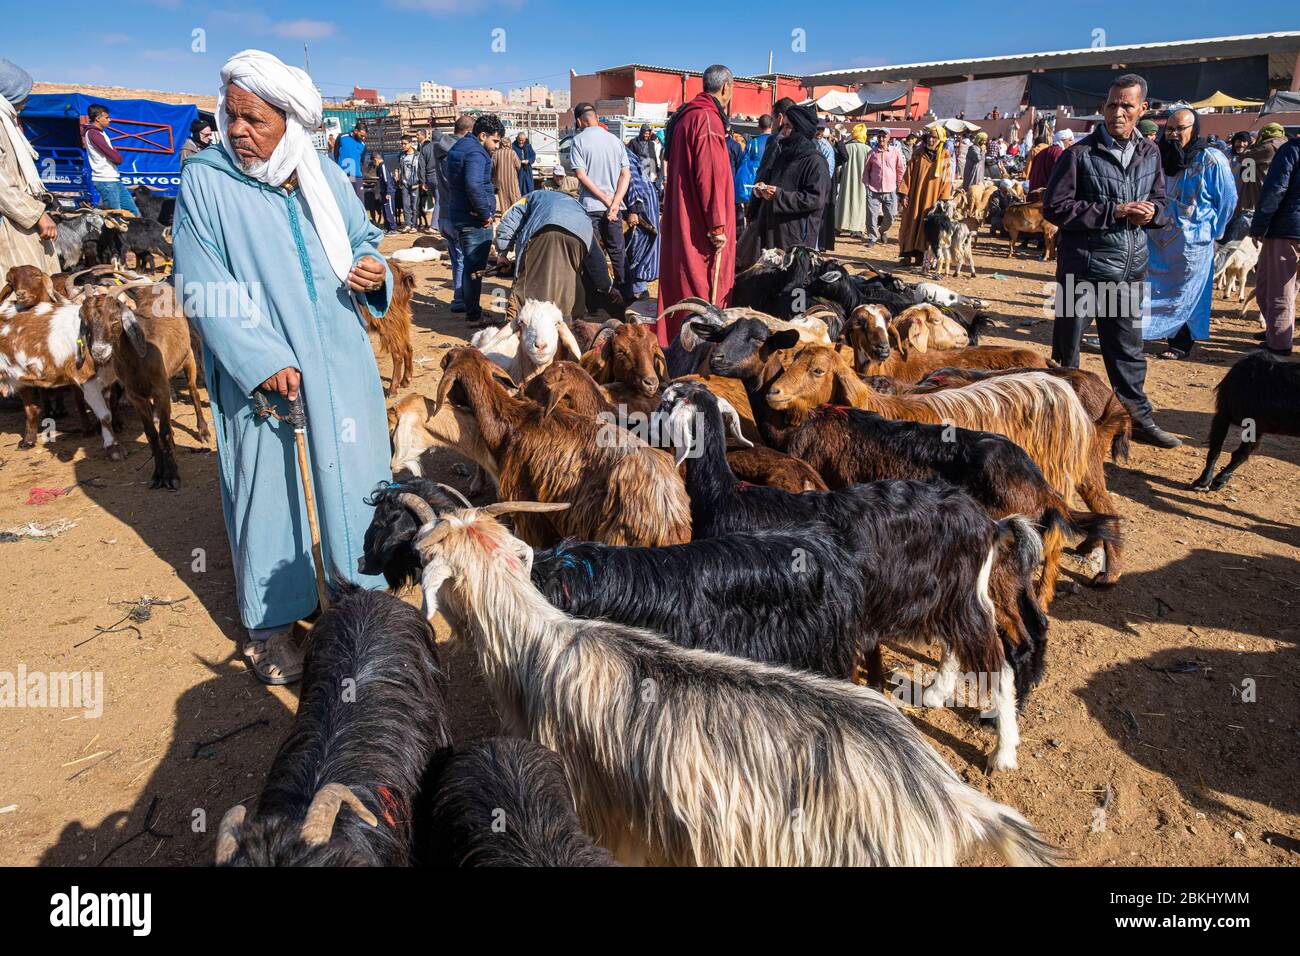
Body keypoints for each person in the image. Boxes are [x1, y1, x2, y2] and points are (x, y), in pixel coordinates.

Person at [173, 50, 394, 684]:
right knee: (271, 492)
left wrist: (373, 267)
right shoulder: (206, 182)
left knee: (352, 473)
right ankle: (271, 627)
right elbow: (200, 281)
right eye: (232, 116)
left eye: (254, 120)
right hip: (262, 372)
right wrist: (261, 358)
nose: (238, 131)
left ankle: (359, 596)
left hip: (338, 354)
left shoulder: (321, 173)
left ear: (289, 120)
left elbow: (362, 239)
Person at [1043, 73, 1178, 448]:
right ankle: (1060, 424)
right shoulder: (1079, 154)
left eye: (1126, 105)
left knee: (1128, 351)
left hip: (1129, 269)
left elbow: (1164, 204)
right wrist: (1114, 211)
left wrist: (1153, 214)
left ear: (1143, 109)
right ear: (1104, 106)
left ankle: (1136, 420)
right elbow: (1055, 208)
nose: (1117, 112)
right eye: (1112, 104)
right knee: (1067, 352)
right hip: (1081, 269)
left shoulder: (1151, 154)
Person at [1144, 107, 1237, 360]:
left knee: (1188, 293)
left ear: (1193, 130)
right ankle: (1140, 334)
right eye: (1170, 129)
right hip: (1156, 240)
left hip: (1193, 244)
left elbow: (1227, 200)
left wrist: (1214, 232)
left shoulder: (1211, 159)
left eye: (1180, 129)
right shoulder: (1158, 157)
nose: (1174, 134)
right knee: (1149, 287)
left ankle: (1180, 342)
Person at [656, 65, 737, 344]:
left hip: (684, 217)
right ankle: (695, 349)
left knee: (683, 284)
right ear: (726, 87)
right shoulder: (706, 119)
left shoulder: (686, 116)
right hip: (699, 226)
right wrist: (717, 226)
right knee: (701, 291)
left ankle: (679, 344)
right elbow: (710, 175)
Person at [736, 103, 829, 273]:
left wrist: (778, 195)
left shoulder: (815, 162)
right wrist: (760, 190)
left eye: (788, 126)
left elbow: (815, 199)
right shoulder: (782, 154)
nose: (783, 130)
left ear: (799, 129)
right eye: (783, 125)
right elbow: (769, 180)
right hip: (770, 232)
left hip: (794, 239)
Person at [494, 189, 613, 319]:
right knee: (569, 281)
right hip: (579, 236)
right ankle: (568, 322)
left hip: (543, 229)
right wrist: (606, 286)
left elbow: (510, 220)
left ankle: (517, 320)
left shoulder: (533, 196)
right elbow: (595, 255)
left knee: (527, 280)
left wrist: (502, 253)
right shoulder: (580, 209)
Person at [0, 57, 59, 274]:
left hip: (17, 220)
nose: (27, 99)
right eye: (23, 92)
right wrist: (36, 214)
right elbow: (2, 186)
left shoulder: (7, 122)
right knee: (22, 293)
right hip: (10, 224)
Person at [570, 101, 632, 301]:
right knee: (618, 253)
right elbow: (626, 174)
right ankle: (626, 297)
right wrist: (614, 203)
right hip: (614, 209)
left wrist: (604, 199)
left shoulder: (578, 141)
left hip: (590, 208)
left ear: (580, 121)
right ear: (596, 118)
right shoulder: (614, 140)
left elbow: (581, 175)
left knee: (591, 255)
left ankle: (594, 302)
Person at [446, 113, 503, 326]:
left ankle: (472, 309)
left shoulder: (458, 148)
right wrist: (485, 214)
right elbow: (473, 185)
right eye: (495, 140)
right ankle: (473, 315)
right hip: (473, 220)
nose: (496, 146)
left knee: (470, 266)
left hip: (461, 213)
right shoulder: (476, 153)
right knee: (474, 268)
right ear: (482, 135)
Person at [1251, 134, 1300, 355]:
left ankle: (1279, 345)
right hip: (1288, 228)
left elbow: (1275, 189)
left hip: (1287, 230)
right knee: (1273, 288)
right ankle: (1277, 332)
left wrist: (1259, 226)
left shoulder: (1291, 150)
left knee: (1277, 290)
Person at [896, 125, 952, 267]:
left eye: (934, 137)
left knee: (926, 228)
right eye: (929, 137)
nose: (930, 140)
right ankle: (906, 255)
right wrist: (904, 194)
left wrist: (943, 199)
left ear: (940, 139)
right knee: (910, 224)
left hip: (931, 200)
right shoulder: (918, 153)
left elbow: (946, 179)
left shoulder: (945, 156)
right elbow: (908, 174)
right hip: (915, 198)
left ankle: (922, 257)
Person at [436, 114, 474, 311]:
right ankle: (461, 300)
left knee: (456, 258)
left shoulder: (440, 149)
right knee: (464, 259)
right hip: (458, 214)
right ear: (468, 132)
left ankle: (459, 297)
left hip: (443, 213)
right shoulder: (459, 153)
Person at [82, 103, 140, 215]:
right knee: (115, 215)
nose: (110, 120)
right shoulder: (93, 133)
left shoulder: (100, 133)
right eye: (106, 117)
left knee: (132, 211)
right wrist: (117, 155)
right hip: (105, 180)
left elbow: (114, 154)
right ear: (98, 118)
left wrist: (115, 154)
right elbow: (115, 157)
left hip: (113, 179)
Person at [623, 136, 660, 301]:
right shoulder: (630, 153)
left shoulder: (623, 157)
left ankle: (638, 294)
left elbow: (633, 183)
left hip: (642, 208)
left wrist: (634, 209)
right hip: (648, 202)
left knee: (638, 248)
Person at [747, 96, 796, 221]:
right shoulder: (807, 143)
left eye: (773, 118)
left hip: (771, 205)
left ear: (780, 118)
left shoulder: (775, 140)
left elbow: (764, 171)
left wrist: (752, 209)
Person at [863, 129, 906, 247]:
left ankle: (882, 230)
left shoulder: (895, 152)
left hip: (890, 189)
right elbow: (866, 170)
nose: (881, 139)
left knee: (891, 215)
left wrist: (900, 187)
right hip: (873, 189)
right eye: (880, 137)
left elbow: (900, 170)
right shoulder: (872, 153)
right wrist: (866, 184)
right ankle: (872, 237)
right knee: (871, 215)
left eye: (884, 137)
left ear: (889, 138)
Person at [834, 124, 871, 238]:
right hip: (862, 182)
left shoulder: (845, 147)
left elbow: (838, 167)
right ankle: (857, 228)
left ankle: (840, 226)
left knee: (843, 201)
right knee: (859, 204)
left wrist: (839, 178)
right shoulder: (868, 150)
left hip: (846, 180)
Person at [1028, 128, 1072, 194]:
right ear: (1062, 140)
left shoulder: (1044, 151)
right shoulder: (1058, 153)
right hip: (1044, 194)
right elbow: (1059, 176)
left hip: (1034, 190)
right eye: (1070, 140)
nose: (1071, 143)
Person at [395, 135, 424, 233]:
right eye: (402, 144)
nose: (403, 146)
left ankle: (414, 225)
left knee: (414, 206)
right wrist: (397, 175)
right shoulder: (401, 155)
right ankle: (407, 224)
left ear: (411, 143)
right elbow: (398, 167)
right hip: (405, 184)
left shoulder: (418, 155)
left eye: (405, 144)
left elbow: (422, 169)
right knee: (405, 205)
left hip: (415, 184)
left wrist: (421, 182)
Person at [334, 124, 367, 201]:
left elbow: (362, 161)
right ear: (355, 131)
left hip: (355, 176)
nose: (363, 138)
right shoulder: (342, 137)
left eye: (364, 136)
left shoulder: (363, 145)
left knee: (359, 200)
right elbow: (336, 153)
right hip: (342, 175)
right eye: (361, 135)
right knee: (344, 199)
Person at [368, 151, 397, 233]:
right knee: (385, 210)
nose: (374, 164)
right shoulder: (380, 167)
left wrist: (388, 192)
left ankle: (393, 228)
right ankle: (387, 227)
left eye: (373, 161)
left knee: (389, 210)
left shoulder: (383, 166)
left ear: (376, 159)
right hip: (383, 192)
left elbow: (387, 180)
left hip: (388, 192)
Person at [492, 137, 522, 214]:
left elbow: (493, 167)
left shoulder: (496, 153)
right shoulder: (512, 153)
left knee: (503, 198)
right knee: (514, 196)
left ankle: (505, 215)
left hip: (499, 180)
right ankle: (516, 214)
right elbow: (518, 166)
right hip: (512, 180)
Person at [416, 128, 438, 231]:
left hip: (429, 178)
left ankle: (435, 224)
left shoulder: (424, 149)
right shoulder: (438, 147)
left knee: (437, 200)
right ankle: (434, 225)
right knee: (439, 200)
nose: (416, 137)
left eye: (418, 135)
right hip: (438, 177)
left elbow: (421, 166)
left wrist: (423, 181)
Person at [628, 123, 662, 188]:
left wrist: (657, 171)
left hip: (649, 169)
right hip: (637, 169)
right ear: (641, 132)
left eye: (648, 134)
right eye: (645, 133)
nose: (647, 135)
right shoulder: (634, 142)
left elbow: (653, 157)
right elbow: (630, 156)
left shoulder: (651, 143)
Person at [512, 131, 536, 196]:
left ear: (525, 139)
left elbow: (533, 156)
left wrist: (528, 161)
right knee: (520, 187)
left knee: (529, 187)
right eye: (519, 140)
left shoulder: (528, 146)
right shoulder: (513, 146)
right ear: (517, 139)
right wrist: (519, 161)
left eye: (522, 140)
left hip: (527, 169)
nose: (521, 142)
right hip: (518, 170)